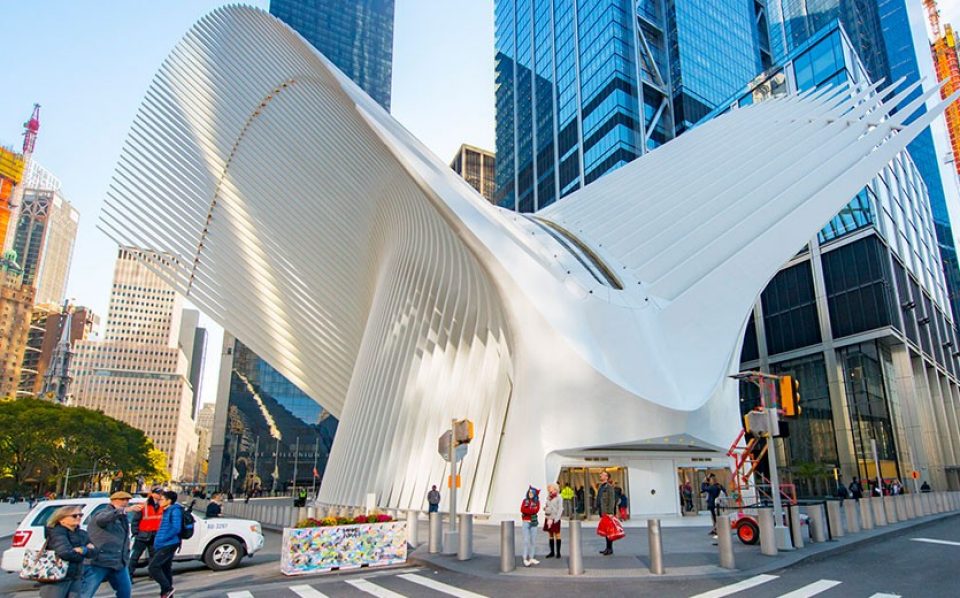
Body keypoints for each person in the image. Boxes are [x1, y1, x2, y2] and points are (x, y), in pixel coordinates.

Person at [80, 491, 141, 598]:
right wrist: (123, 510)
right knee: (86, 593)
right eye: (123, 500)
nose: (126, 502)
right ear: (113, 501)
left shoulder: (122, 516)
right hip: (99, 561)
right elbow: (102, 519)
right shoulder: (103, 513)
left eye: (127, 500)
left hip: (119, 562)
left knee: (125, 592)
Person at [40, 505, 97, 598]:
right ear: (61, 519)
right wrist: (84, 551)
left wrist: (82, 550)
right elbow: (65, 553)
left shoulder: (81, 533)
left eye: (80, 515)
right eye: (74, 516)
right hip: (56, 577)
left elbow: (94, 551)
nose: (78, 517)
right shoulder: (56, 532)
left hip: (76, 576)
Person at [148, 491, 183, 598]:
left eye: (161, 499)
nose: (159, 502)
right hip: (163, 543)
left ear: (169, 501)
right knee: (165, 569)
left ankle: (168, 589)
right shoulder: (166, 510)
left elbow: (176, 528)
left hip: (169, 543)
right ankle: (166, 594)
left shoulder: (175, 511)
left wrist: (163, 538)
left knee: (153, 567)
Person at [129, 488, 164, 581]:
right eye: (158, 493)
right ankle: (128, 576)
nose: (160, 495)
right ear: (152, 494)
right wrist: (136, 533)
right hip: (143, 535)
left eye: (161, 493)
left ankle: (152, 575)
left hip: (155, 535)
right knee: (135, 557)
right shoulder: (144, 506)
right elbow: (135, 520)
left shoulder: (162, 506)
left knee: (153, 557)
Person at [596, 471, 617, 555]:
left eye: (602, 474)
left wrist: (610, 512)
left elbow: (612, 500)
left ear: (607, 477)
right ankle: (607, 548)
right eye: (600, 474)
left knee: (609, 531)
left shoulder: (609, 487)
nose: (600, 475)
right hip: (602, 511)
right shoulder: (601, 487)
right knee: (606, 530)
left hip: (607, 512)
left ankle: (610, 549)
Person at [519, 486, 540, 566]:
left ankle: (531, 557)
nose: (530, 494)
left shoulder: (537, 502)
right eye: (529, 492)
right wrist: (530, 511)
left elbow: (536, 510)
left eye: (532, 493)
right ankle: (525, 558)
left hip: (533, 523)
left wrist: (528, 511)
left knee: (533, 541)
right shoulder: (525, 501)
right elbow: (522, 509)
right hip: (526, 522)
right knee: (526, 540)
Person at [543, 484, 563, 558]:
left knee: (557, 534)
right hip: (549, 517)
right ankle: (552, 552)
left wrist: (557, 518)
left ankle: (558, 552)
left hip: (555, 517)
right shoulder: (548, 497)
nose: (548, 489)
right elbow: (548, 506)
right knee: (550, 534)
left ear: (554, 488)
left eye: (550, 487)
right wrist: (545, 508)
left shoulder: (559, 497)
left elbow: (560, 508)